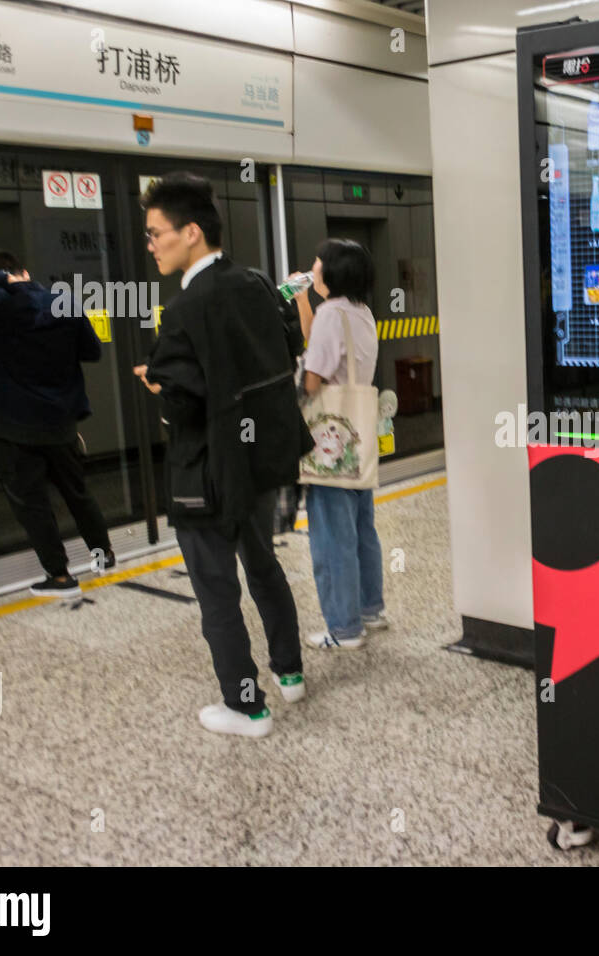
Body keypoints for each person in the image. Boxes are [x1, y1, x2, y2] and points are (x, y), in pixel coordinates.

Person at [135, 172, 312, 739]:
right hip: (259, 461)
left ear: (191, 233)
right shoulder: (256, 284)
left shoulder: (186, 308)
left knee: (216, 589)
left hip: (208, 474)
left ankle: (246, 706)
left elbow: (185, 404)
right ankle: (290, 672)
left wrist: (159, 389)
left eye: (156, 233)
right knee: (263, 566)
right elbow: (288, 347)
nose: (151, 244)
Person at [0, 251, 114, 598]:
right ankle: (103, 554)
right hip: (60, 420)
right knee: (77, 492)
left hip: (13, 426)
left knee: (32, 503)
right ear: (26, 271)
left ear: (3, 277)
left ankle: (59, 576)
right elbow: (92, 352)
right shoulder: (62, 301)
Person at [286, 239, 387, 650]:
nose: (314, 267)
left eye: (318, 263)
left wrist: (295, 393)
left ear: (332, 271)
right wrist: (303, 301)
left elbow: (313, 376)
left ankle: (343, 628)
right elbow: (323, 343)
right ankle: (369, 609)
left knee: (331, 534)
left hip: (328, 436)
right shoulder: (360, 313)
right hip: (357, 433)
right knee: (362, 527)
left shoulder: (333, 313)